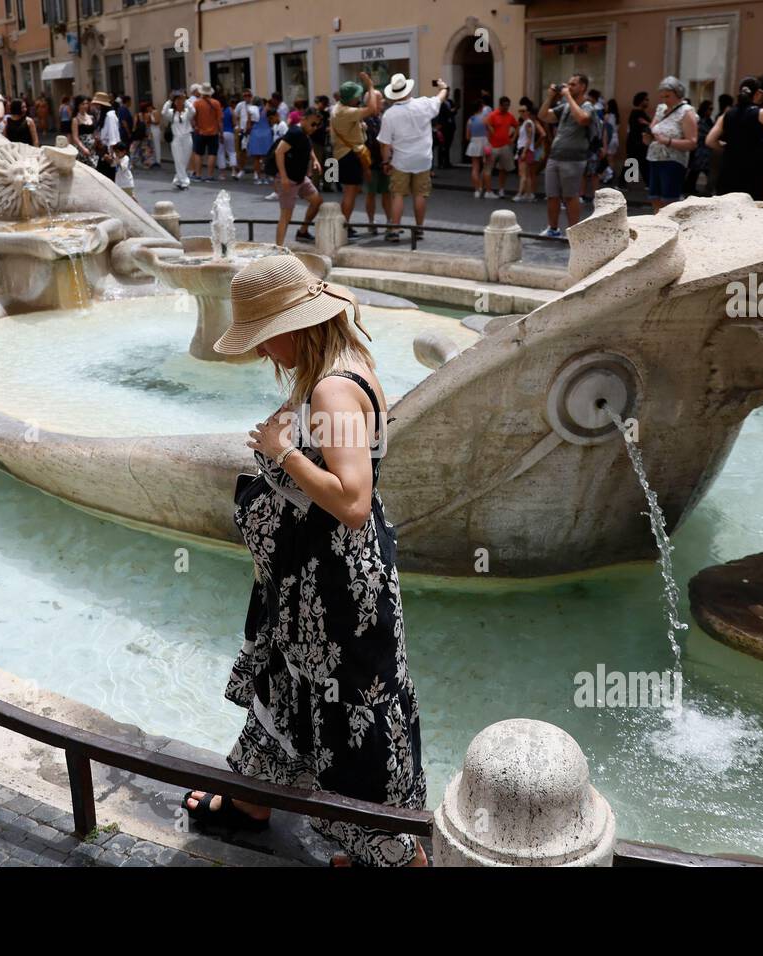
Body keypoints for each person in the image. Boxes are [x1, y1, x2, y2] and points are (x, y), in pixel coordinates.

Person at [182, 254, 427, 868]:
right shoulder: (341, 369)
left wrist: (283, 452)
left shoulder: (333, 387)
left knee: (349, 713)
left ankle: (388, 852)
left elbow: (352, 500)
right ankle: (255, 798)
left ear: (295, 325)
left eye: (267, 339)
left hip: (336, 590)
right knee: (291, 683)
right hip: (318, 582)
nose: (265, 353)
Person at [377, 73, 448, 244]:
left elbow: (385, 144)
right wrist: (443, 87)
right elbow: (439, 98)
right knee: (420, 194)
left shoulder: (390, 114)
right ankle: (419, 229)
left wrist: (386, 161)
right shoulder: (423, 104)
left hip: (401, 160)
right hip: (423, 159)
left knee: (398, 195)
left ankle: (394, 230)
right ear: (408, 89)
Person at [707, 76, 763, 201]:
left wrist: (728, 148)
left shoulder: (728, 114)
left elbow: (710, 141)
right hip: (753, 171)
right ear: (759, 94)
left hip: (729, 169)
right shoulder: (760, 113)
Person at [538, 74, 596, 237]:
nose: (569, 87)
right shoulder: (563, 107)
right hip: (555, 157)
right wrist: (549, 98)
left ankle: (574, 232)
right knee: (552, 196)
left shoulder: (587, 106)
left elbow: (583, 119)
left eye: (573, 84)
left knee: (570, 197)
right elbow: (543, 116)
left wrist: (568, 96)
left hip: (574, 160)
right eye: (568, 84)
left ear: (583, 87)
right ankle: (553, 228)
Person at [330, 73, 380, 240]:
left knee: (349, 191)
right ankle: (344, 226)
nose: (359, 98)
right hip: (350, 155)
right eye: (357, 96)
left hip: (342, 154)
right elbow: (372, 109)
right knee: (350, 193)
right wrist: (371, 87)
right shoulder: (347, 111)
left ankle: (344, 224)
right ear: (350, 99)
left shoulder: (337, 108)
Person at [643, 76, 697, 211]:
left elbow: (692, 142)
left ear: (678, 94)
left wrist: (668, 141)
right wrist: (648, 136)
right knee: (654, 198)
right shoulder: (661, 109)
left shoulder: (686, 111)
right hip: (654, 158)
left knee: (669, 202)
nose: (665, 100)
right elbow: (653, 129)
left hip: (673, 161)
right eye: (662, 97)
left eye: (668, 96)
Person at [273, 108, 323, 245]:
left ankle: (303, 231)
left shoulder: (305, 133)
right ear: (303, 119)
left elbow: (308, 145)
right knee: (286, 215)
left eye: (317, 125)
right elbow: (279, 152)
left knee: (317, 201)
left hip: (301, 178)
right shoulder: (295, 132)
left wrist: (315, 160)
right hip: (289, 179)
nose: (315, 128)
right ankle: (279, 249)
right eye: (313, 124)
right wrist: (283, 178)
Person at [483, 95, 519, 199]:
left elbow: (516, 126)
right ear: (500, 105)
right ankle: (488, 191)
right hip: (493, 146)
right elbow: (486, 124)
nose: (507, 108)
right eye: (505, 106)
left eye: (508, 106)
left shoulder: (509, 116)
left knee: (504, 169)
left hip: (505, 146)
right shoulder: (493, 115)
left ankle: (501, 190)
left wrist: (513, 138)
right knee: (488, 168)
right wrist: (490, 129)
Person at [163, 92, 194, 189]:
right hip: (176, 139)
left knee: (184, 160)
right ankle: (185, 181)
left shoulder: (187, 113)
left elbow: (193, 111)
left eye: (181, 100)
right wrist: (170, 100)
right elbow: (163, 112)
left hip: (187, 137)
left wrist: (186, 100)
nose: (179, 102)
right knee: (178, 160)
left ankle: (177, 179)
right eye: (177, 100)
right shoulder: (171, 113)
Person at [192, 84, 222, 181]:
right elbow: (219, 120)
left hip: (200, 132)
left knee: (198, 153)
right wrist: (221, 132)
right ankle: (210, 176)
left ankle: (198, 175)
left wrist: (195, 126)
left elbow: (192, 118)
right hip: (213, 132)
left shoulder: (196, 103)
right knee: (212, 153)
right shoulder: (216, 103)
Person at [684, 100, 714, 196]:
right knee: (700, 170)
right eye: (710, 109)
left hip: (704, 150)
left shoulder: (709, 121)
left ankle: (690, 188)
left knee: (696, 170)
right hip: (700, 150)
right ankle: (692, 188)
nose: (711, 111)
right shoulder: (700, 120)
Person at [465, 93, 492, 198]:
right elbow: (490, 132)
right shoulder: (485, 119)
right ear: (481, 108)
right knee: (486, 167)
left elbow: (467, 136)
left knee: (475, 168)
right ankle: (486, 189)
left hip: (474, 143)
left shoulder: (470, 120)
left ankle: (477, 190)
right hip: (485, 142)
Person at [513, 101, 541, 201]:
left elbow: (529, 138)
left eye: (523, 110)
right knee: (527, 174)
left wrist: (524, 151)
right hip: (526, 149)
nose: (521, 112)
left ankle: (520, 194)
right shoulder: (527, 122)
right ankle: (529, 194)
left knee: (523, 174)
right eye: (520, 110)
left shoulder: (528, 123)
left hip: (525, 149)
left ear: (528, 112)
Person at [626, 91, 651, 187]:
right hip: (636, 143)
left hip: (637, 142)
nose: (648, 102)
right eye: (646, 100)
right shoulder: (637, 113)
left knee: (639, 163)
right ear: (641, 101)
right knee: (636, 162)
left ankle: (626, 183)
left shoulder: (640, 113)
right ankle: (623, 184)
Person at [248, 106, 276, 184]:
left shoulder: (252, 110)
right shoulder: (267, 110)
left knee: (256, 158)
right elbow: (271, 121)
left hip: (255, 133)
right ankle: (266, 177)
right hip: (266, 133)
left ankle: (258, 178)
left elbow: (249, 123)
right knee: (265, 157)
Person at [70, 95, 99, 169]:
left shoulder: (91, 117)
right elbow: (75, 137)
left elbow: (94, 132)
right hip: (81, 149)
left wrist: (96, 140)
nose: (85, 106)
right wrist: (83, 148)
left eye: (86, 103)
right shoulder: (75, 119)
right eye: (83, 104)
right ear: (78, 105)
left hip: (92, 148)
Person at [218, 92, 238, 180]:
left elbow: (218, 123)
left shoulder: (218, 110)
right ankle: (234, 171)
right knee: (232, 152)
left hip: (220, 133)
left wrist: (220, 133)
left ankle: (223, 174)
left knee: (221, 152)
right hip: (230, 132)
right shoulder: (230, 109)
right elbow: (234, 122)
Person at [133, 101, 157, 168]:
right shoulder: (148, 115)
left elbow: (134, 126)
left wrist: (133, 132)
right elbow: (148, 125)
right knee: (146, 149)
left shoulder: (137, 115)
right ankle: (146, 163)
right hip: (146, 134)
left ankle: (134, 162)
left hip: (138, 135)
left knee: (135, 148)